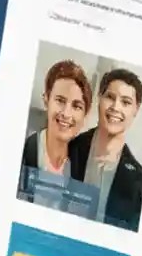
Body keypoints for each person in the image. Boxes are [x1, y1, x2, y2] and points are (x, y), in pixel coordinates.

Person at [67, 68, 142, 231]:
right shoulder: (67, 149)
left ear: (136, 110)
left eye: (126, 102)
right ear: (99, 98)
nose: (116, 108)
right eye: (110, 97)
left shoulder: (139, 181)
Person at [20, 60, 92, 201]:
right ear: (46, 100)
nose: (66, 113)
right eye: (60, 100)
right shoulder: (23, 152)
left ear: (85, 114)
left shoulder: (82, 167)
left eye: (77, 106)